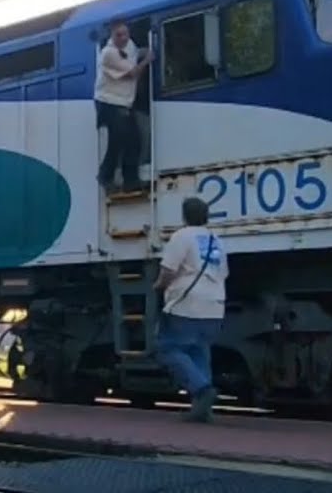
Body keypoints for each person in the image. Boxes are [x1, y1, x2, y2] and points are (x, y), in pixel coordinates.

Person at [154, 196, 228, 422]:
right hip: (215, 305)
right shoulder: (216, 240)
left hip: (187, 304)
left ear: (184, 216)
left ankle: (202, 390)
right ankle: (203, 411)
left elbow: (168, 269)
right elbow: (224, 272)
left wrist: (159, 285)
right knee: (200, 352)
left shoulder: (181, 236)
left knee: (167, 349)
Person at [94, 22, 152, 193]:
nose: (123, 38)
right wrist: (147, 61)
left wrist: (142, 51)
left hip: (124, 102)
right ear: (112, 36)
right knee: (117, 141)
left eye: (125, 33)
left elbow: (134, 54)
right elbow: (132, 73)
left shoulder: (130, 45)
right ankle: (105, 176)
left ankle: (131, 180)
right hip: (109, 102)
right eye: (119, 35)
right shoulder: (108, 54)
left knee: (133, 141)